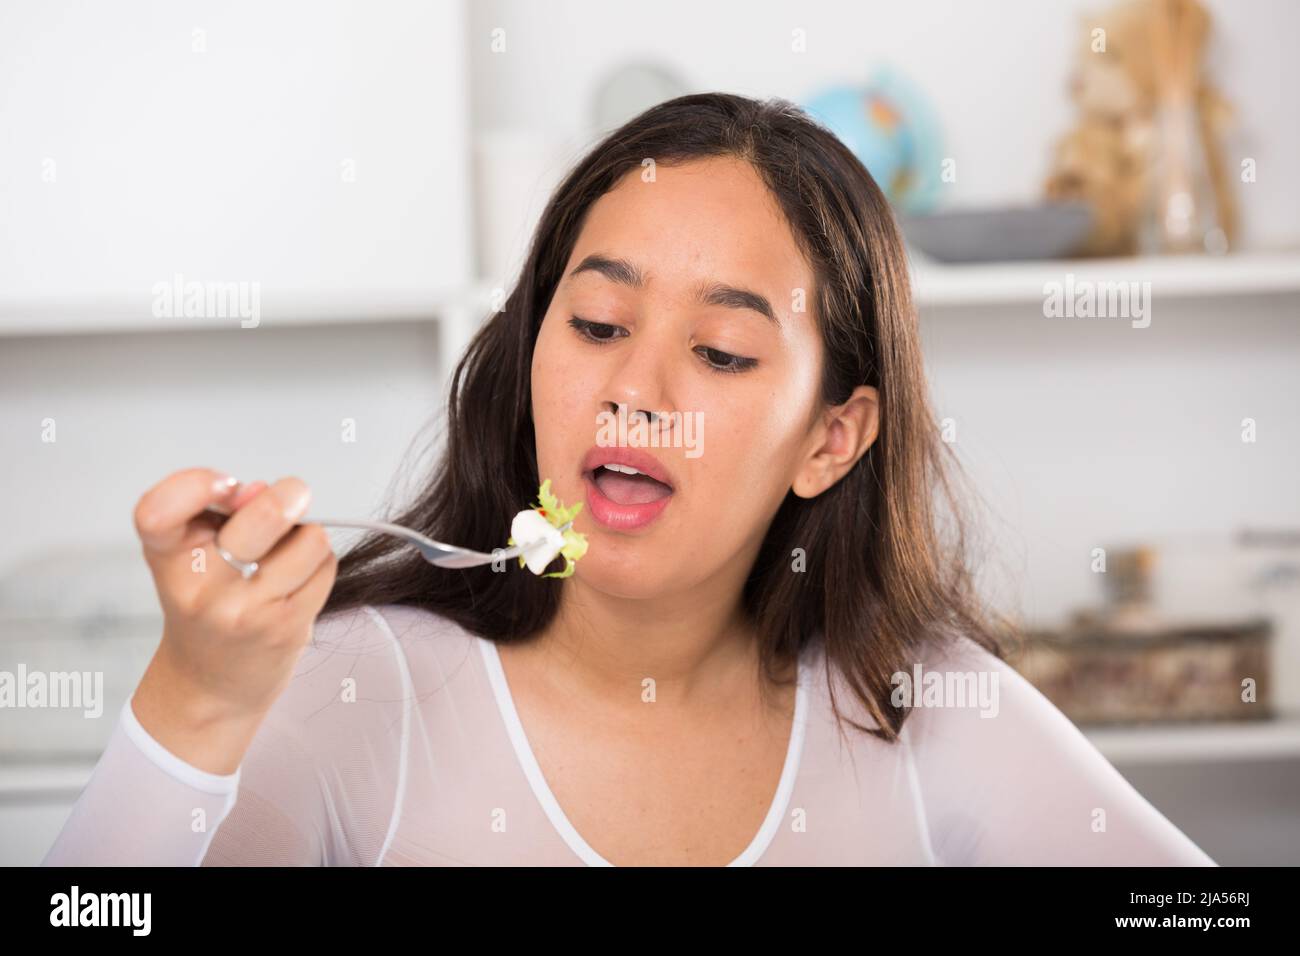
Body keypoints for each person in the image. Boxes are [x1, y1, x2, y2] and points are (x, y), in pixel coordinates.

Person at [42, 93, 1216, 867]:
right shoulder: (353, 683)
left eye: (719, 351)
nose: (637, 385)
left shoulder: (916, 706)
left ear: (832, 437)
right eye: (598, 320)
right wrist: (192, 706)